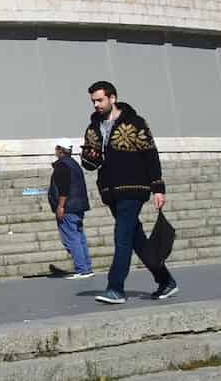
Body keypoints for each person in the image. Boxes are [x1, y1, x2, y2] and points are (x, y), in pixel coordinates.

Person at [81, 81, 176, 304]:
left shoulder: (135, 123)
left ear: (112, 98)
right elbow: (88, 163)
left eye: (100, 100)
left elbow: (151, 155)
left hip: (134, 189)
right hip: (110, 191)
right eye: (93, 101)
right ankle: (166, 281)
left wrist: (158, 188)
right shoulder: (93, 127)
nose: (96, 104)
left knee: (122, 237)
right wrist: (90, 158)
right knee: (137, 240)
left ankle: (115, 289)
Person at [49, 140, 93, 279]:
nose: (55, 151)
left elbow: (64, 188)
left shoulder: (62, 165)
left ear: (60, 150)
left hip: (68, 207)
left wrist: (61, 206)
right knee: (79, 237)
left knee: (71, 238)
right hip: (78, 206)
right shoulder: (74, 164)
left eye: (56, 148)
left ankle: (82, 269)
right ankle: (86, 267)